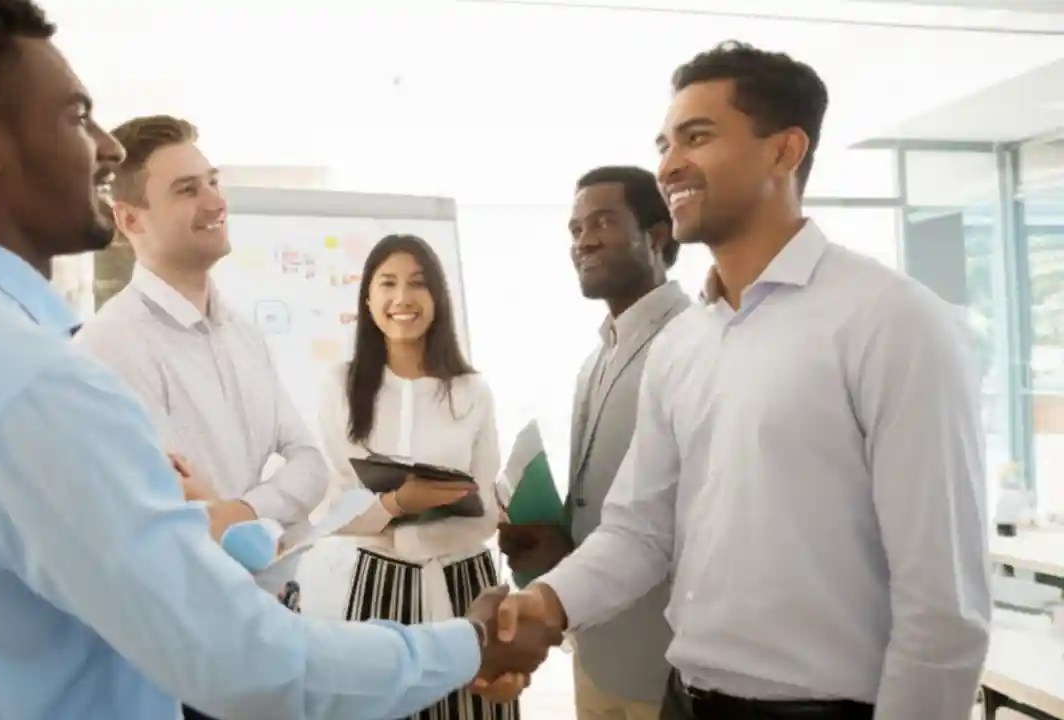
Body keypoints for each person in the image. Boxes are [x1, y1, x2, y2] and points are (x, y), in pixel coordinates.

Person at [0, 2, 561, 718]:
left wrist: (235, 519)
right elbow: (245, 664)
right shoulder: (43, 383)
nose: (109, 149)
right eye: (76, 115)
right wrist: (469, 645)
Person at [493, 41, 990, 720]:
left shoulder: (891, 321)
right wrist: (544, 603)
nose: (668, 164)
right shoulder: (687, 343)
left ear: (784, 152)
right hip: (686, 700)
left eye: (697, 137)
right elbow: (640, 533)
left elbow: (942, 601)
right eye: (665, 142)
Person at [75, 115, 326, 548]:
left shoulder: (244, 335)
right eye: (188, 190)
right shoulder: (108, 347)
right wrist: (269, 518)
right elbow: (179, 516)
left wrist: (246, 513)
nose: (215, 203)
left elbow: (310, 463)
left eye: (213, 182)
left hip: (272, 601)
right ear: (130, 220)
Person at [499, 166, 689, 720]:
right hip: (596, 643)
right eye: (575, 228)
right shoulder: (596, 357)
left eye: (602, 222)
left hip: (668, 655)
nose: (583, 240)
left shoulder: (691, 343)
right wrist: (554, 544)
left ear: (657, 235)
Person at [318, 234, 520, 719]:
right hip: (379, 583)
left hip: (465, 584)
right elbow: (338, 510)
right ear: (368, 300)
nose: (402, 298)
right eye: (387, 283)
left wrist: (486, 507)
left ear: (437, 300)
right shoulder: (342, 386)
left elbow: (485, 510)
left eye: (417, 284)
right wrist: (397, 505)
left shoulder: (471, 391)